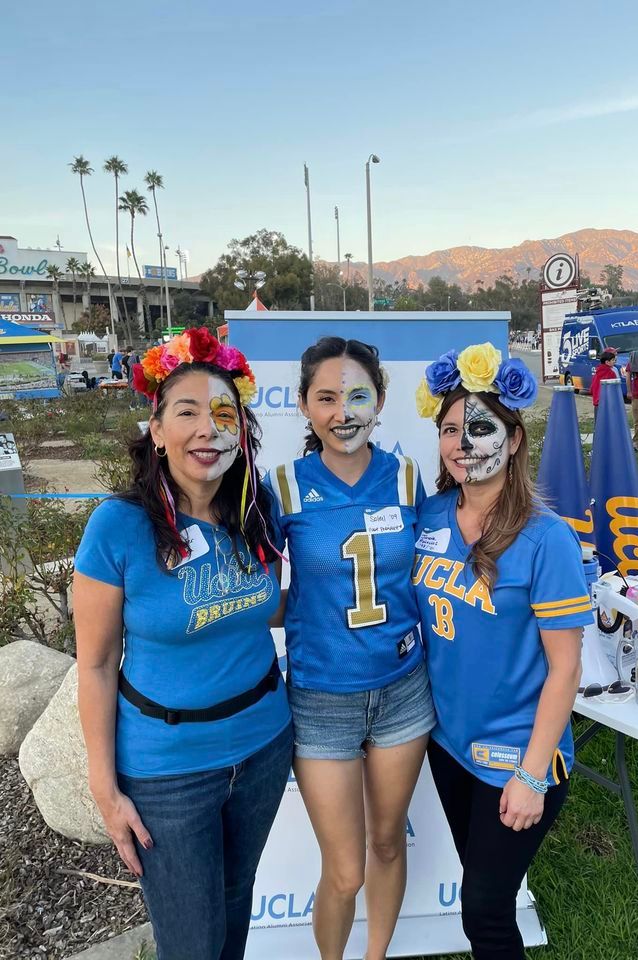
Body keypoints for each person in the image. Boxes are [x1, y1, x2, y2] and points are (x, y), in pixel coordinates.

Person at [73, 328, 292, 960]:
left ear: (241, 429)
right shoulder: (119, 526)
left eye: (223, 413)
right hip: (167, 770)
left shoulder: (257, 506)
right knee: (192, 941)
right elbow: (94, 664)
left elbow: (266, 608)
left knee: (234, 906)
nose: (207, 428)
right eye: (187, 411)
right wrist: (104, 787)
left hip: (262, 747)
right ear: (157, 427)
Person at [413, 344, 594, 960]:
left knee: (485, 915)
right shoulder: (429, 515)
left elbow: (566, 667)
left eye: (481, 427)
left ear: (515, 440)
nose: (465, 443)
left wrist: (531, 772)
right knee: (484, 894)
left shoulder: (548, 540)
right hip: (450, 746)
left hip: (517, 753)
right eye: (450, 430)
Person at [265, 337, 435, 960]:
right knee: (345, 872)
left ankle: (377, 955)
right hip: (320, 700)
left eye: (358, 395)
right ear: (306, 407)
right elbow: (257, 590)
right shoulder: (280, 486)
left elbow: (436, 570)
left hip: (402, 692)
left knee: (387, 843)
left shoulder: (411, 477)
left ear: (381, 401)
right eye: (328, 397)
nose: (344, 411)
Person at [590, 349, 619, 416]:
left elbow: (592, 388)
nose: (614, 361)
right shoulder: (611, 373)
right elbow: (614, 388)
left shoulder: (597, 372)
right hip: (608, 403)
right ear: (607, 362)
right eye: (613, 360)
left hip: (597, 402)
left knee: (598, 424)